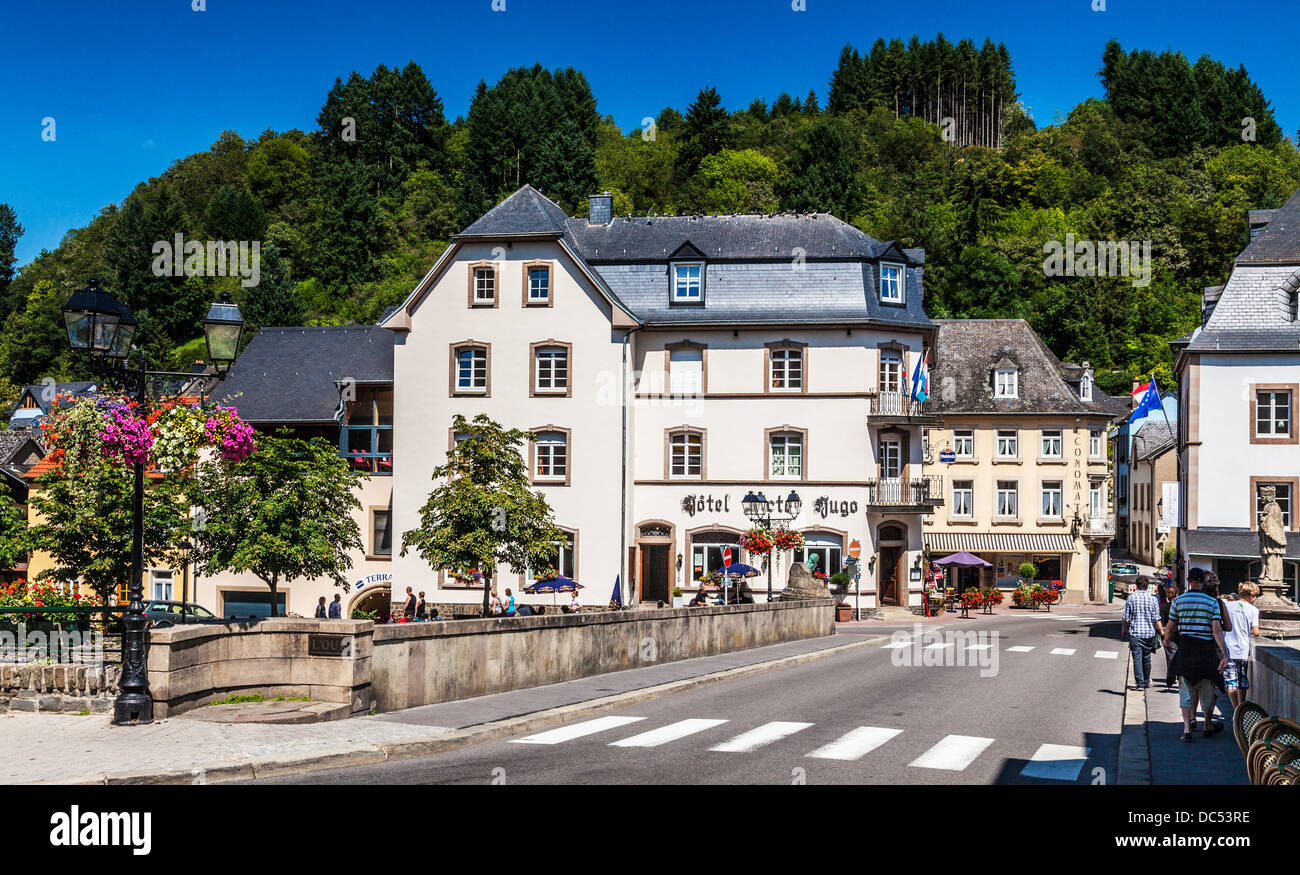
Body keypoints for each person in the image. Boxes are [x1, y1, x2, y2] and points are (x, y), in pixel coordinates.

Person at [1164, 568, 1230, 742]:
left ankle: (1186, 729)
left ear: (1188, 580)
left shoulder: (1178, 601)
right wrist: (1224, 654)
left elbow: (1171, 626)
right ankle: (1207, 723)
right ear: (1202, 582)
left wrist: (1166, 640)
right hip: (1206, 651)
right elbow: (1217, 629)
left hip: (1186, 649)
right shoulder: (1211, 602)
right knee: (1208, 690)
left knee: (1185, 690)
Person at [1222, 581, 1261, 709]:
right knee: (1242, 681)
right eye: (1255, 596)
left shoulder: (1228, 606)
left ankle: (1236, 710)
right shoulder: (1253, 610)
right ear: (1250, 596)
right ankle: (1242, 707)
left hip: (1228, 648)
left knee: (1231, 682)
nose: (1255, 599)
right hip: (1243, 650)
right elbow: (1255, 632)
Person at [1122, 575, 1163, 690]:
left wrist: (1124, 629)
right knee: (1147, 658)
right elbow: (1156, 618)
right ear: (1147, 586)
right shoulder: (1153, 599)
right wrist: (1162, 633)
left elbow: (1126, 617)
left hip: (1135, 633)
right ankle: (1146, 681)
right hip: (1149, 633)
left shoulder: (1131, 598)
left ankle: (1140, 683)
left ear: (1136, 586)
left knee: (1137, 659)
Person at [1157, 582, 1179, 688]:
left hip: (1167, 634)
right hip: (1179, 634)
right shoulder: (1179, 607)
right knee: (1179, 655)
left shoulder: (1164, 607)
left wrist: (1162, 632)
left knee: (1169, 656)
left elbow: (1160, 620)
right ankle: (1179, 675)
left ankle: (1171, 676)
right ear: (1177, 595)